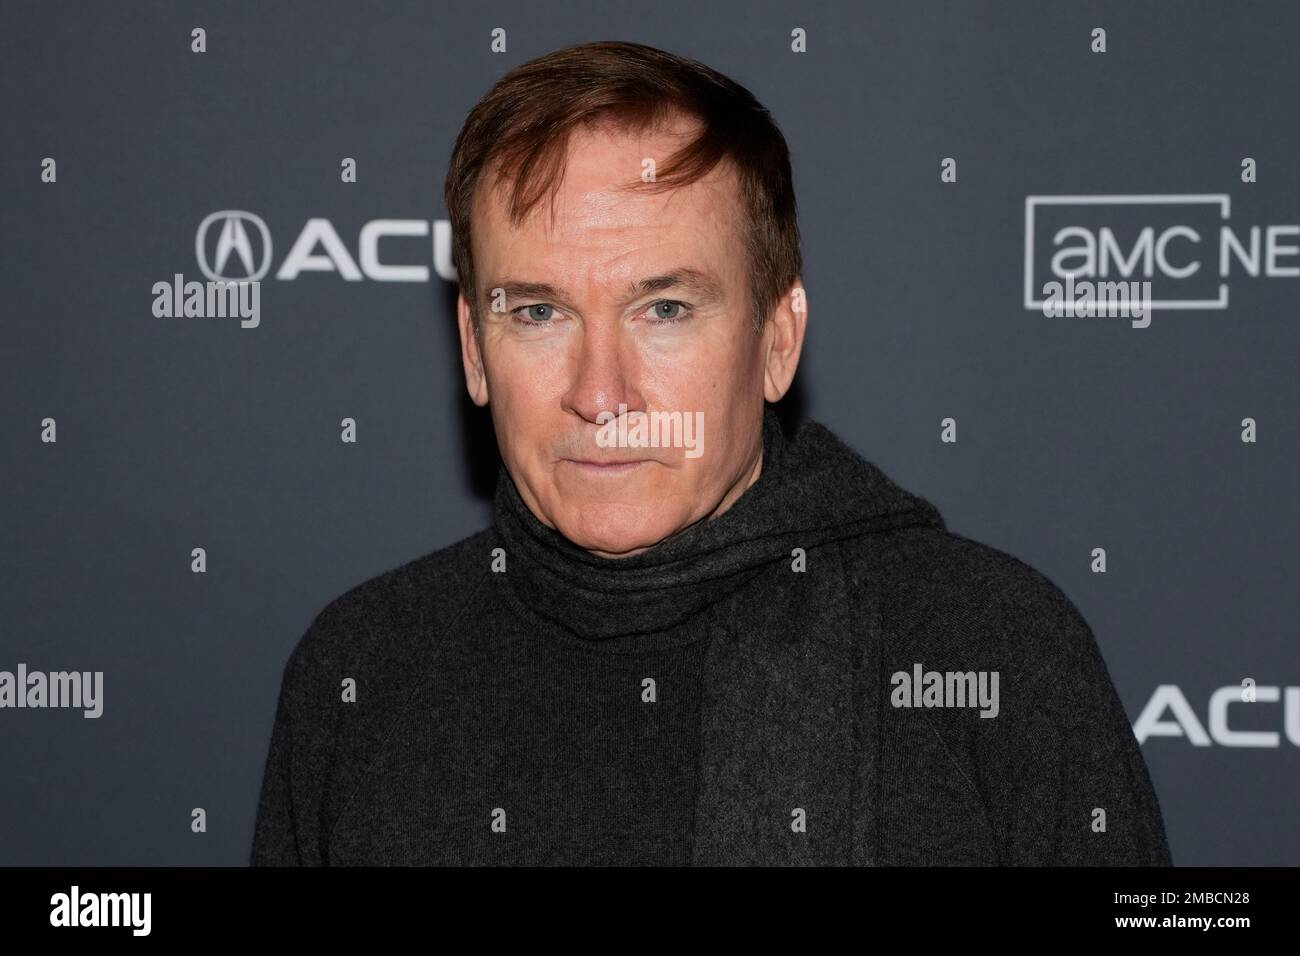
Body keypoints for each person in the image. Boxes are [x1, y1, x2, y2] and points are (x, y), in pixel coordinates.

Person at [251, 40, 1172, 866]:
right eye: (538, 312)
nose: (600, 394)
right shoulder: (363, 673)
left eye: (664, 309)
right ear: (471, 349)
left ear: (779, 339)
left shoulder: (991, 651)